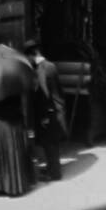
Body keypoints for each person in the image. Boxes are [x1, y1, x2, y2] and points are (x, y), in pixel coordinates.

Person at [25, 39, 67, 182]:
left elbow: (44, 95)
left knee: (49, 143)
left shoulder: (42, 69)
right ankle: (54, 169)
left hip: (48, 112)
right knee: (52, 142)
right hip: (55, 109)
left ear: (32, 55)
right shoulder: (50, 65)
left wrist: (44, 115)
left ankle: (54, 173)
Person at [0, 92, 33, 197]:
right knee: (11, 154)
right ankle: (13, 186)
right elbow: (19, 106)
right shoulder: (15, 87)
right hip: (12, 123)